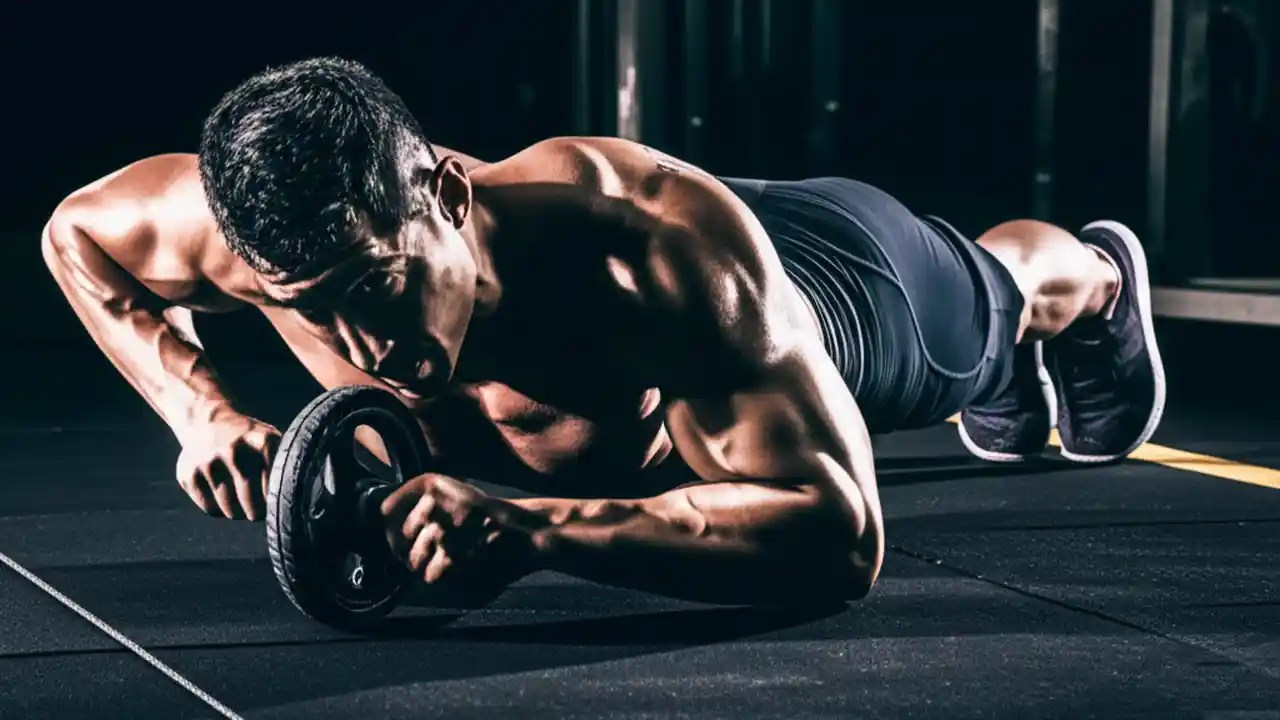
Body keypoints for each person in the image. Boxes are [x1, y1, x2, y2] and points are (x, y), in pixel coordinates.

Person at [43, 58, 1164, 605]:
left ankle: (1097, 283)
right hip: (684, 275)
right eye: (300, 304)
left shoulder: (651, 260)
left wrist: (535, 532)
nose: (355, 339)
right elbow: (75, 234)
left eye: (372, 289)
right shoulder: (253, 236)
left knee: (983, 306)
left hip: (832, 287)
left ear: (441, 193)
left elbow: (837, 538)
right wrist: (197, 406)